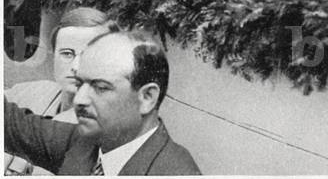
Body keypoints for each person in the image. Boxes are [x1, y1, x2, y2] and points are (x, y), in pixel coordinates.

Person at [4, 31, 201, 175]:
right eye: (80, 84)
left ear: (147, 97)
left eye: (100, 87)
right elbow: (12, 124)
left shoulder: (176, 172)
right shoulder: (85, 141)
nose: (79, 99)